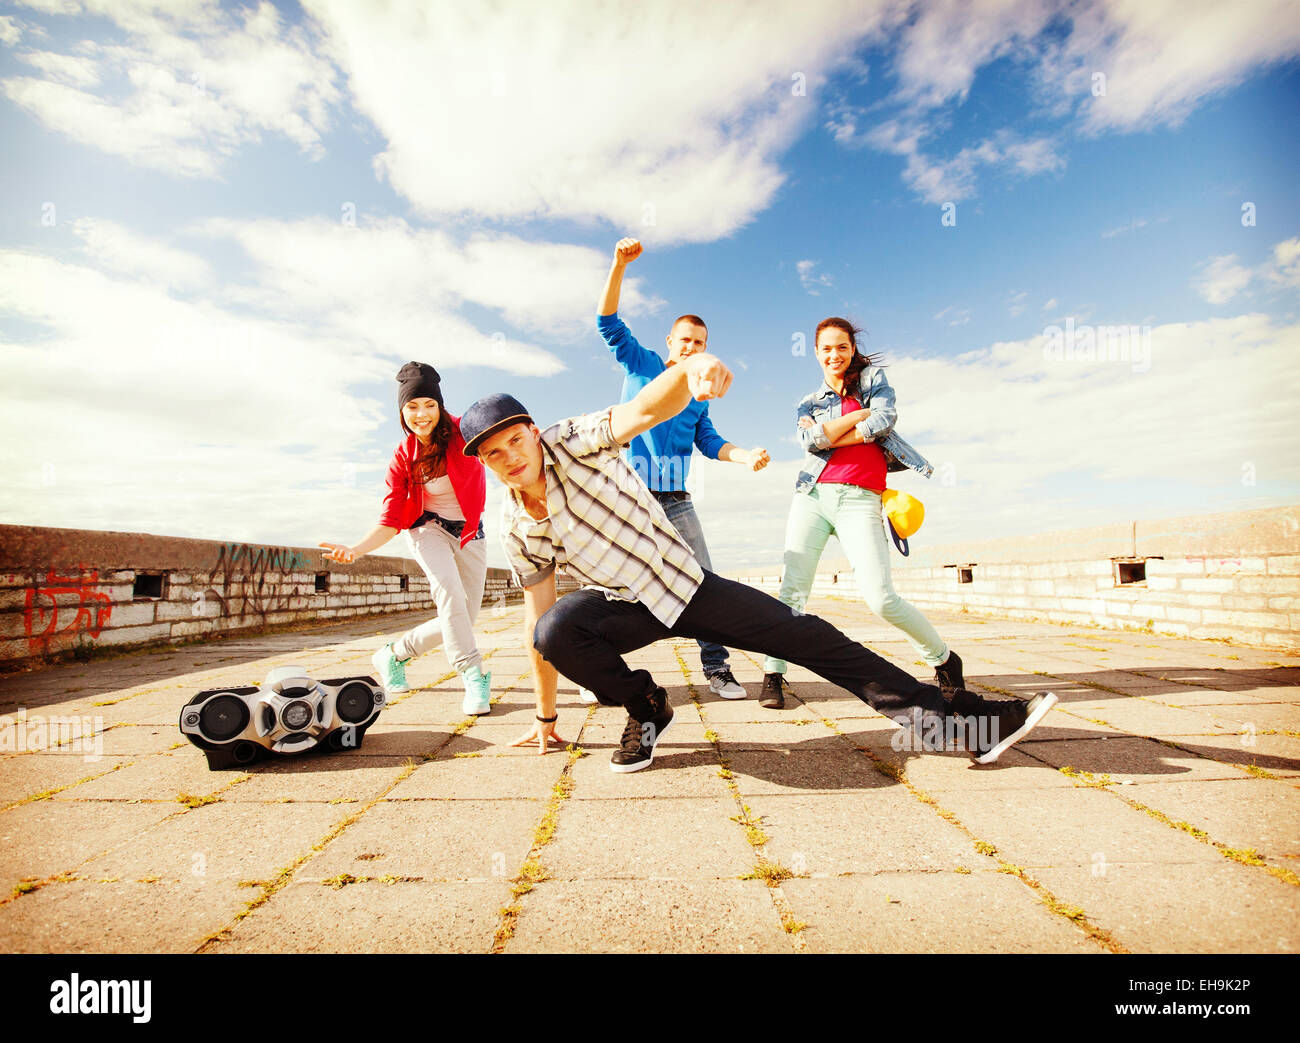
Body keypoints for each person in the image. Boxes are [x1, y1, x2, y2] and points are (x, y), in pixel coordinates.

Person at [458, 353, 1056, 773]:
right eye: (492, 453)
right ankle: (646, 707)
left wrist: (691, 370)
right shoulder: (513, 524)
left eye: (514, 440)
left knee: (812, 637)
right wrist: (544, 715)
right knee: (555, 628)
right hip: (623, 608)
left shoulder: (574, 438)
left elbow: (643, 408)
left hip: (686, 584)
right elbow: (538, 625)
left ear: (533, 433)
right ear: (483, 462)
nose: (509, 457)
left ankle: (956, 727)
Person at [591, 236, 770, 702]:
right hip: (628, 497)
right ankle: (598, 669)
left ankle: (718, 668)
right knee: (613, 585)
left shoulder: (697, 398)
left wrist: (744, 455)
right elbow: (607, 322)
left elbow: (709, 443)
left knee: (703, 584)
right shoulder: (643, 364)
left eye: (701, 343)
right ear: (670, 342)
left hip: (676, 502)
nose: (692, 347)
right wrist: (618, 266)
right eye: (685, 340)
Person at [758, 317, 964, 711]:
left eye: (842, 347)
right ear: (815, 353)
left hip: (860, 498)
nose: (834, 355)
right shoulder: (808, 400)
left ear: (852, 349)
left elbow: (884, 420)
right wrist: (856, 417)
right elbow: (807, 440)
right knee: (793, 592)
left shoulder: (872, 380)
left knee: (881, 598)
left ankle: (943, 659)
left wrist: (832, 432)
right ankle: (773, 673)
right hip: (811, 496)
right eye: (826, 349)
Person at [320, 362, 493, 716]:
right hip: (426, 529)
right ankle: (472, 674)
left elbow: (504, 436)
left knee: (462, 616)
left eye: (429, 405)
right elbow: (391, 519)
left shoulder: (465, 431)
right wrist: (355, 550)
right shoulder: (403, 458)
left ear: (440, 406)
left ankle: (393, 654)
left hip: (470, 533)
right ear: (402, 412)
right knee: (448, 593)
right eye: (412, 406)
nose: (422, 414)